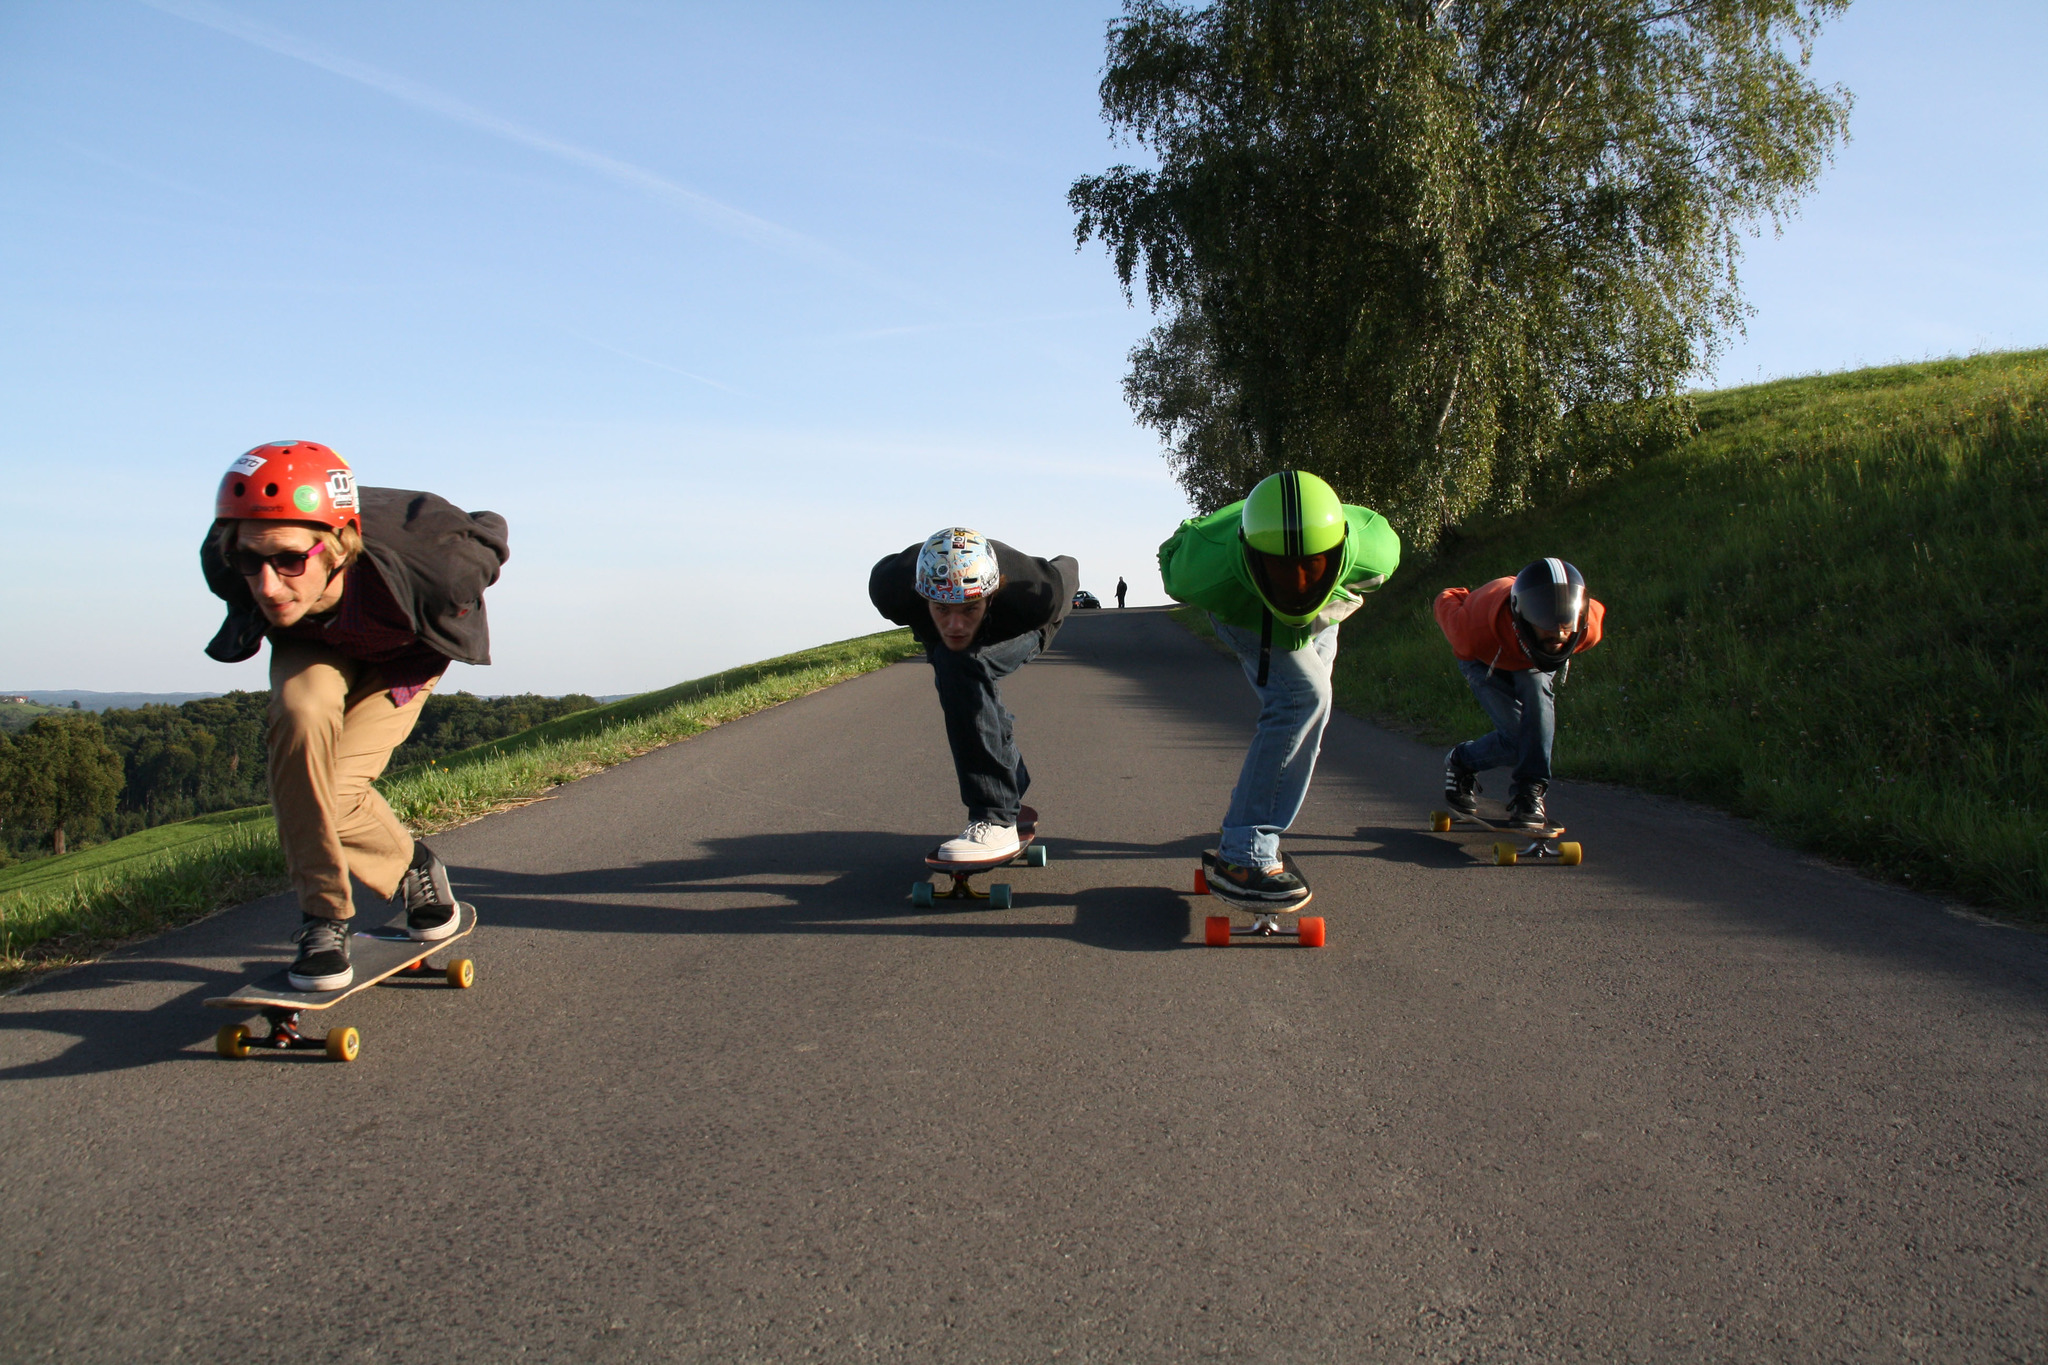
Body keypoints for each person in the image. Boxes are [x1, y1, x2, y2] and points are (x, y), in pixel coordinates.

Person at [201, 441, 509, 991]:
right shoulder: (227, 559)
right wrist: (263, 567)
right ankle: (324, 920)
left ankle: (414, 866)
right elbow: (257, 572)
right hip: (315, 640)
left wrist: (458, 601)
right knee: (298, 717)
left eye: (291, 560)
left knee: (341, 792)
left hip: (402, 654)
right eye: (252, 560)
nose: (268, 586)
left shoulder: (439, 568)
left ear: (338, 545)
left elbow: (490, 534)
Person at [1159, 470, 1400, 901]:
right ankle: (1245, 852)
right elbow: (1170, 557)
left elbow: (1325, 581)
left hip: (1325, 612)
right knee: (1303, 700)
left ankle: (1246, 832)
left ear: (1340, 549)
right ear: (1252, 555)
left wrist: (1325, 603)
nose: (1299, 582)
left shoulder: (1377, 548)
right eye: (1281, 570)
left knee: (1310, 714)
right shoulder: (1201, 572)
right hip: (1247, 609)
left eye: (1312, 567)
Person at [870, 528, 1077, 861]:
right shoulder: (890, 588)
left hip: (1024, 626)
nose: (956, 624)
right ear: (922, 596)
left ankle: (995, 816)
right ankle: (1011, 779)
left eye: (969, 609)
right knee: (955, 667)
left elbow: (1069, 569)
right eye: (942, 609)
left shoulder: (1039, 594)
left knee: (963, 661)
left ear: (992, 595)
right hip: (949, 623)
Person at [1436, 559, 1605, 830]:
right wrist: (1462, 598)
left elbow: (1568, 623)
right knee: (1516, 740)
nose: (1559, 634)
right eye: (1547, 624)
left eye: (1566, 623)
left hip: (1529, 661)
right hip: (1484, 658)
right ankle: (1461, 762)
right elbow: (1447, 598)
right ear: (1523, 620)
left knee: (1536, 700)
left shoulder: (1586, 628)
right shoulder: (1471, 632)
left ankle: (1530, 794)